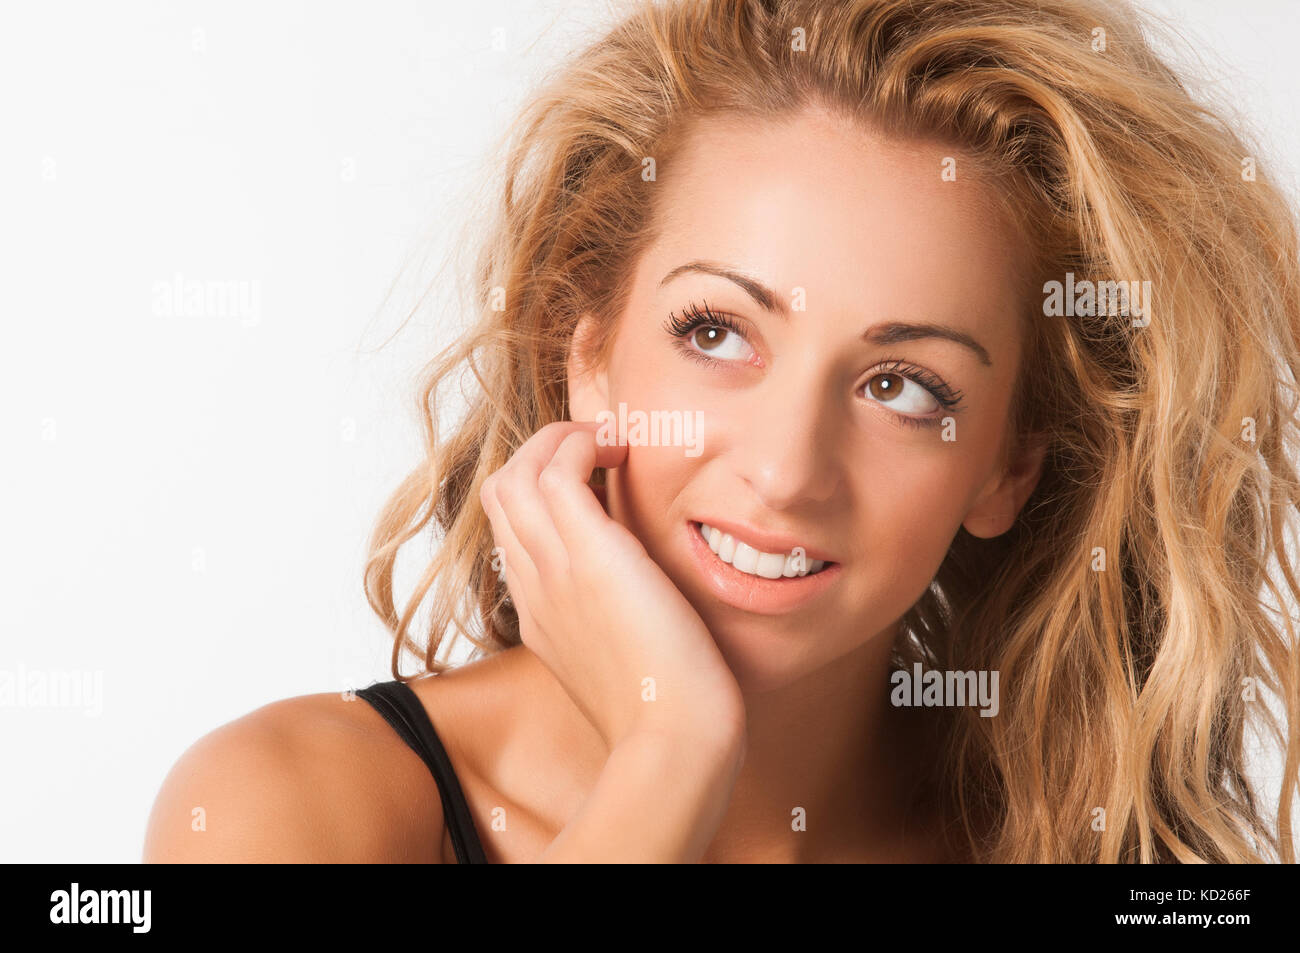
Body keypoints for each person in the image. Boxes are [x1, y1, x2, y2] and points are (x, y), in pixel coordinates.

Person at [144, 0, 1300, 863]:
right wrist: (669, 754)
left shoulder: (1079, 847)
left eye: (904, 387)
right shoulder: (287, 806)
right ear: (582, 353)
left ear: (1005, 466)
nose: (786, 470)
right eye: (716, 331)